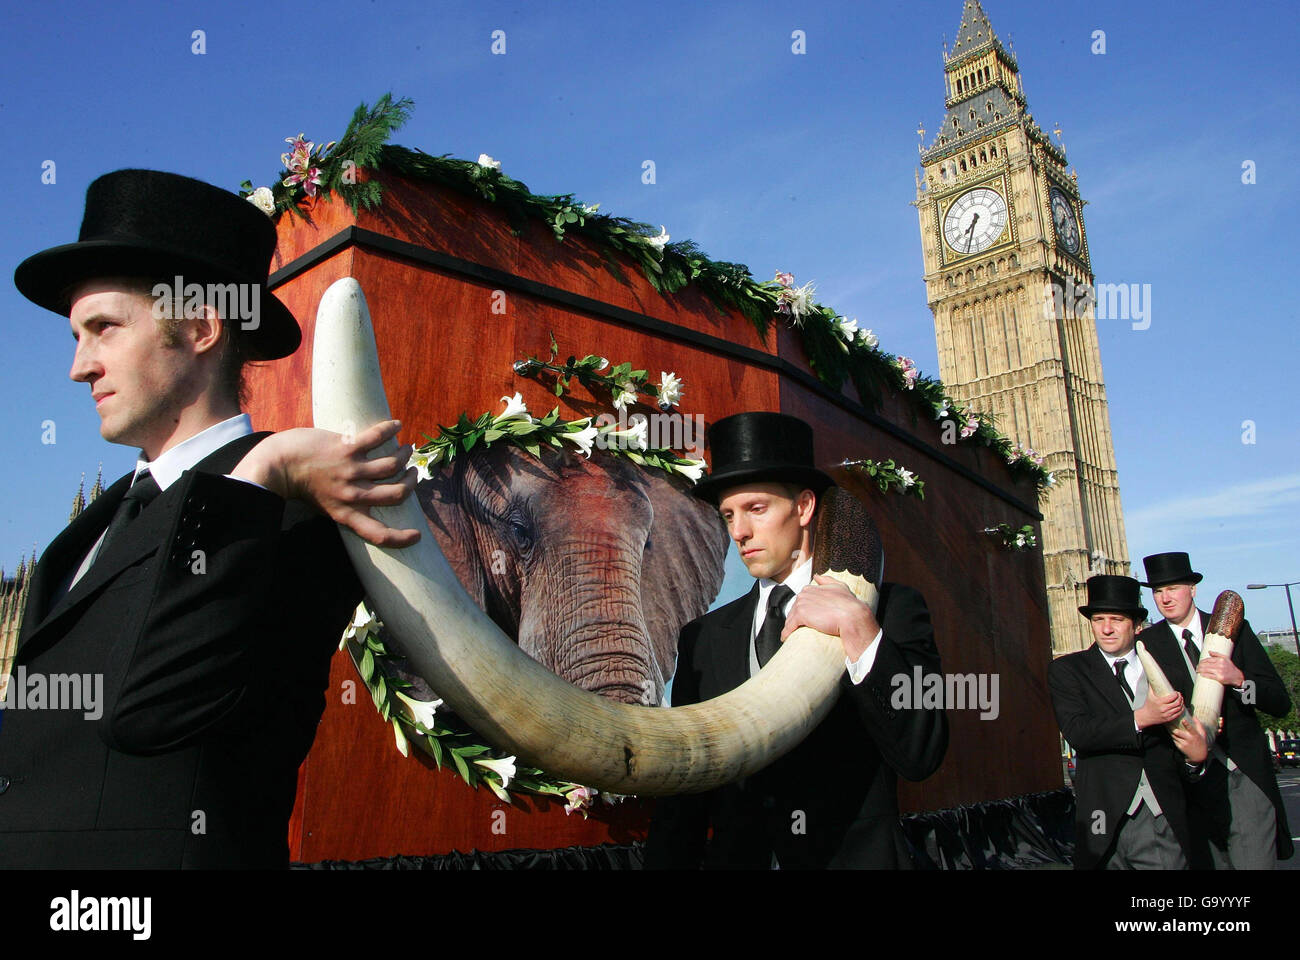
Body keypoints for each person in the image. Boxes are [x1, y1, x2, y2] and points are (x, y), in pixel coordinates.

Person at [0, 169, 419, 868]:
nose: (78, 367)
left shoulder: (292, 517)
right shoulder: (76, 540)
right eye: (77, 336)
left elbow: (149, 712)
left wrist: (262, 474)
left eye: (103, 328)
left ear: (199, 326)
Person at [643, 412, 948, 869]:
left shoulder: (891, 610)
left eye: (757, 509)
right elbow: (686, 795)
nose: (739, 532)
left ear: (804, 508)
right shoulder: (702, 637)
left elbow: (922, 752)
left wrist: (863, 637)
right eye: (729, 515)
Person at [1137, 551, 1293, 868]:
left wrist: (1239, 679)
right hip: (1188, 784)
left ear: (1192, 589)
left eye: (1173, 588)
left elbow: (1279, 701)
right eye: (1158, 591)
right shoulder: (1146, 645)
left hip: (1242, 776)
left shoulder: (1235, 629)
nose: (1165, 598)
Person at [1048, 575, 1209, 869]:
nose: (1106, 628)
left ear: (1136, 626)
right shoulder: (1069, 670)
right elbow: (1079, 733)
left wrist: (1195, 760)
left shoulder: (1169, 671)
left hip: (1159, 814)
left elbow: (1186, 740)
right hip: (1100, 817)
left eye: (1116, 619)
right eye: (1098, 619)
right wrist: (1142, 718)